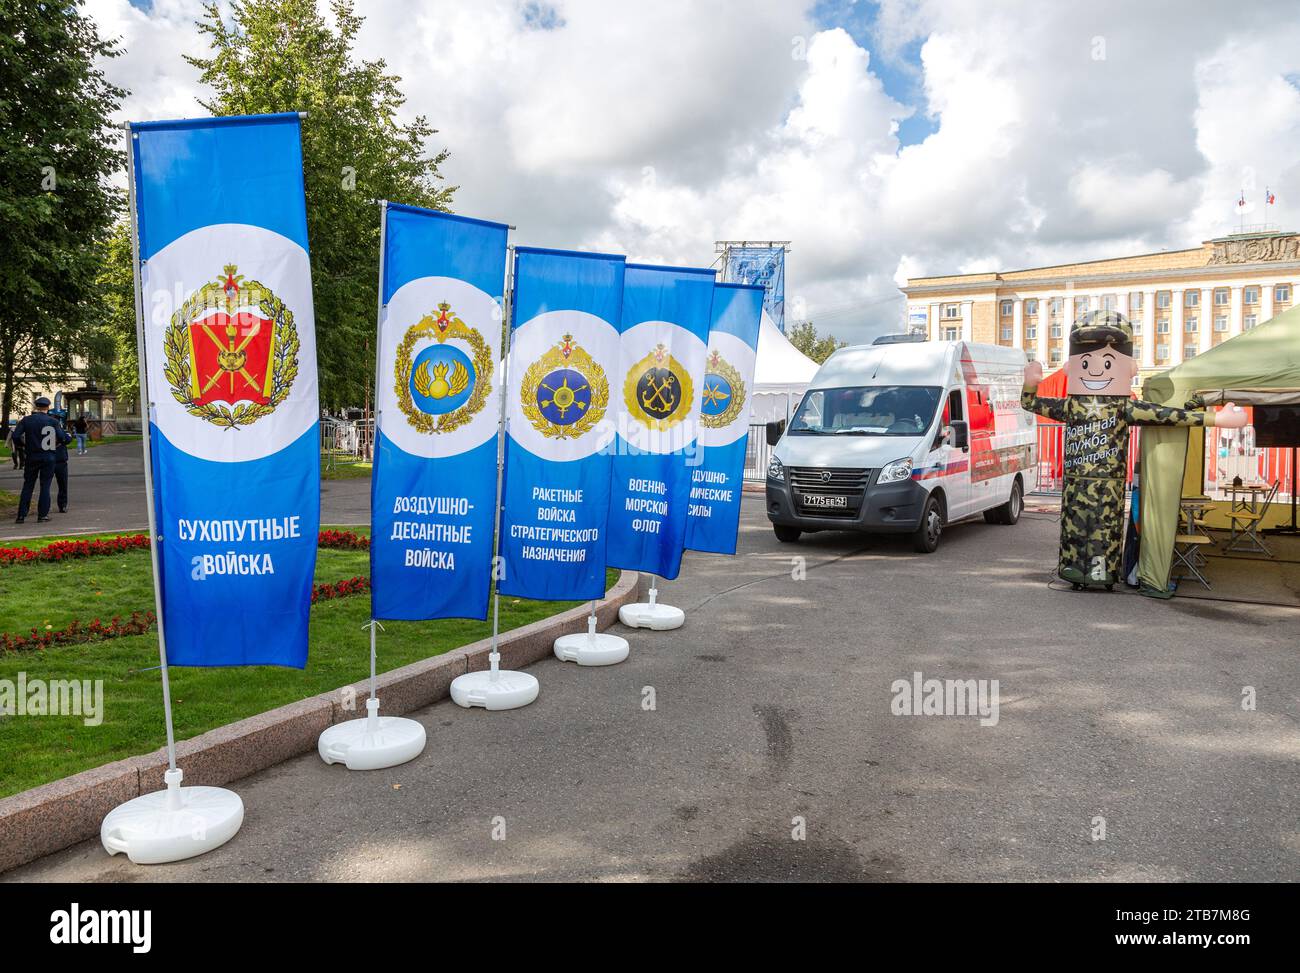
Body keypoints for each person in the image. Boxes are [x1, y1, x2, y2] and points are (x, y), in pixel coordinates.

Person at [1020, 310, 1247, 592]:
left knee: (1105, 532)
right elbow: (1030, 405)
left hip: (1109, 486)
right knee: (1075, 529)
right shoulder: (1072, 405)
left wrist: (1215, 419)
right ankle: (1075, 570)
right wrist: (1030, 385)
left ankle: (1101, 573)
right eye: (1087, 362)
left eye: (1107, 363)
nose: (1095, 370)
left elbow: (1165, 415)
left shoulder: (1122, 407)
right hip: (1076, 483)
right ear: (1071, 367)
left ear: (1130, 369)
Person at [12, 397, 71, 524]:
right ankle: (42, 515)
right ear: (48, 407)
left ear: (36, 406)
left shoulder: (26, 420)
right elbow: (62, 438)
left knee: (28, 485)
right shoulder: (53, 421)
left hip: (32, 455)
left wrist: (22, 445)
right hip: (48, 456)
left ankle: (21, 515)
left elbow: (15, 436)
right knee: (45, 486)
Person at [53, 416, 70, 514]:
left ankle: (62, 505)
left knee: (46, 485)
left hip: (52, 459)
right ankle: (62, 505)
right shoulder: (59, 430)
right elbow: (67, 439)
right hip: (60, 459)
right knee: (62, 484)